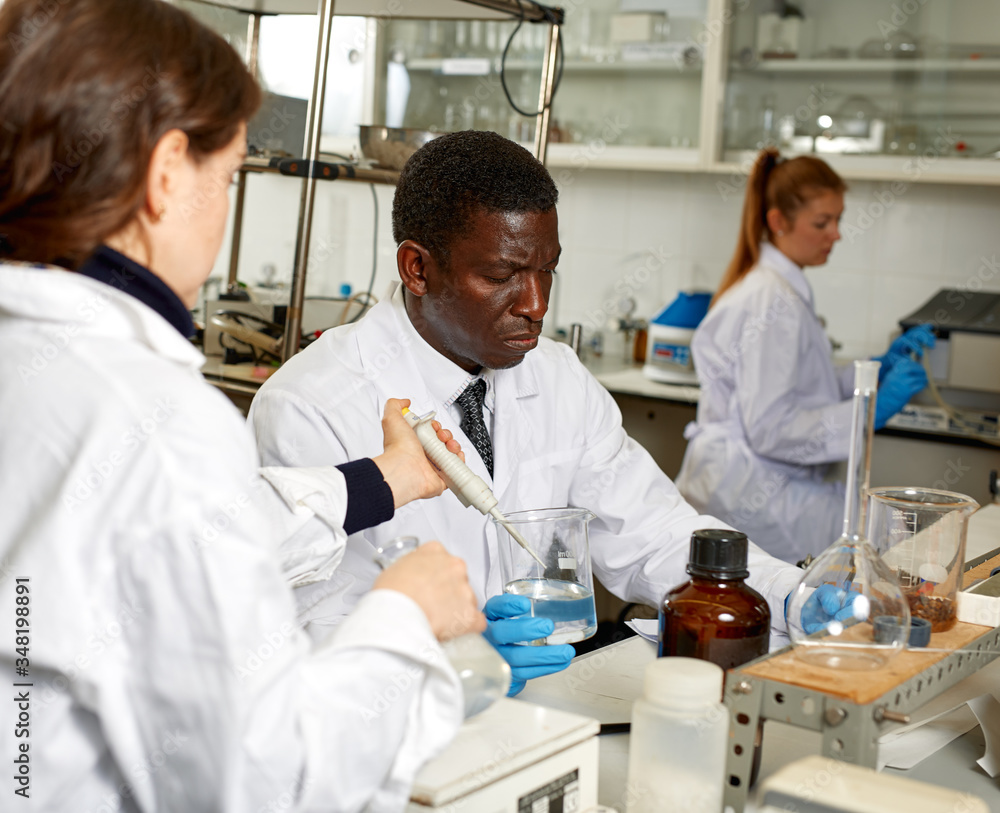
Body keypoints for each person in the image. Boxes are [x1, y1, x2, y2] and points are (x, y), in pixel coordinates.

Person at [0, 1, 485, 810]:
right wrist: (403, 615)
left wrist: (385, 478)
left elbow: (152, 540)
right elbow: (267, 780)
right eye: (225, 177)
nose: (224, 210)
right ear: (164, 176)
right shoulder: (151, 414)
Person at [249, 131, 808, 695]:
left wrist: (789, 594)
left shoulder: (557, 376)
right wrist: (462, 663)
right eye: (501, 276)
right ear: (417, 268)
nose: (536, 304)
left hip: (535, 712)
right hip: (393, 744)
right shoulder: (310, 406)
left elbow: (652, 532)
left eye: (548, 272)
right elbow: (308, 637)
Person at [675, 148, 932, 564]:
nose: (836, 234)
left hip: (754, 481)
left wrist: (871, 372)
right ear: (778, 222)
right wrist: (868, 411)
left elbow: (800, 385)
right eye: (822, 222)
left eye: (838, 219)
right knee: (892, 542)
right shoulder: (769, 298)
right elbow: (771, 427)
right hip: (751, 491)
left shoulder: (779, 288)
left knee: (887, 539)